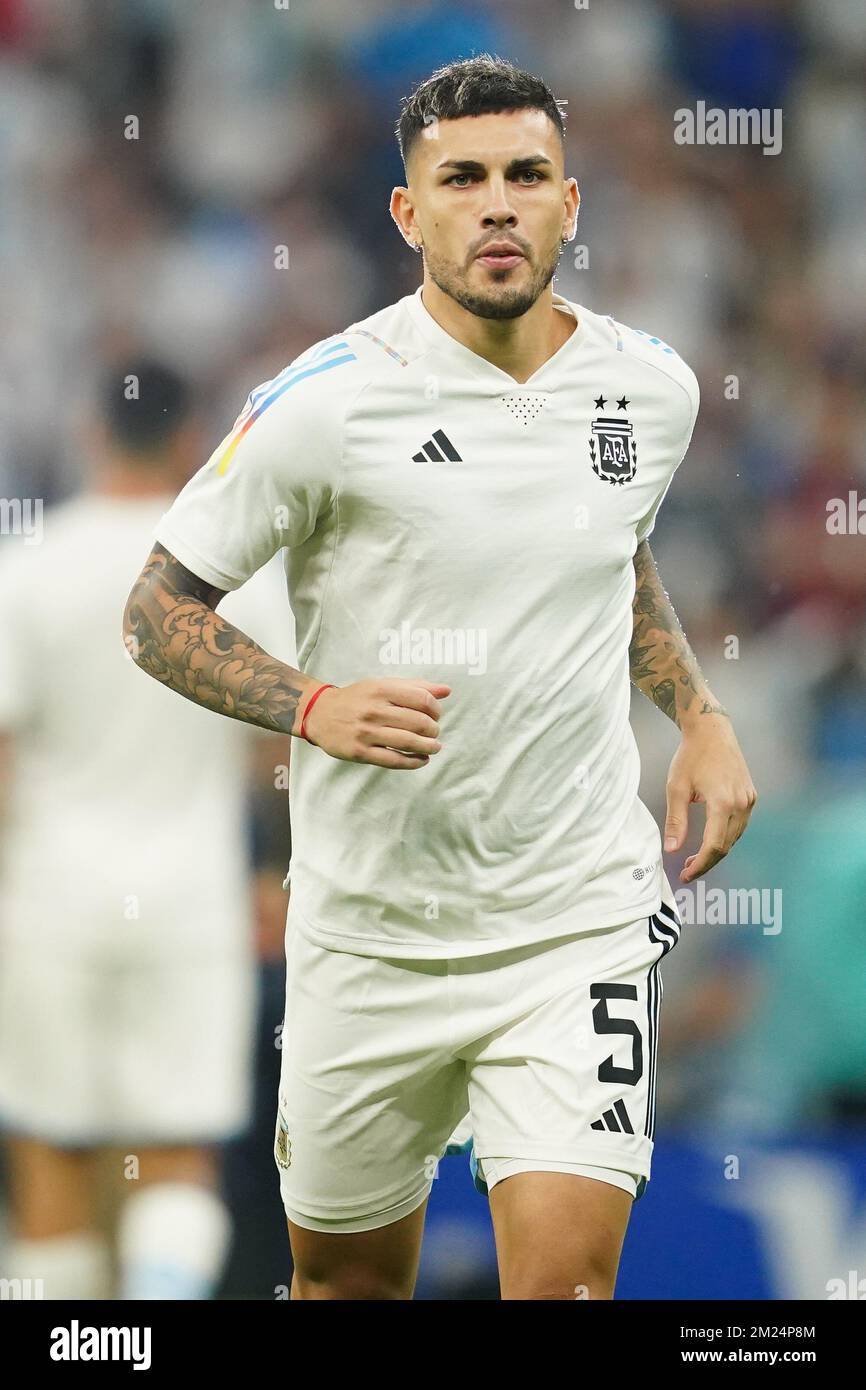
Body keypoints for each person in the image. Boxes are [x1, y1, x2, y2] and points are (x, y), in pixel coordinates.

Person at [123, 56, 757, 1300]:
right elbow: (154, 610)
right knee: (346, 1284)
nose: (497, 204)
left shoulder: (649, 386)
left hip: (571, 922)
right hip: (369, 936)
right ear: (408, 214)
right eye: (461, 179)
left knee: (566, 1284)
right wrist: (311, 704)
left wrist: (697, 711)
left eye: (525, 175)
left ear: (569, 202)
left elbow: (609, 552)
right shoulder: (326, 402)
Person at [0, 360, 292, 1299]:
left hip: (48, 903)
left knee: (53, 1149)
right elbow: (280, 750)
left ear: (91, 432)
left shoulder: (28, 567)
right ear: (190, 441)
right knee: (177, 1152)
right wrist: (274, 874)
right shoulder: (232, 579)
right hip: (191, 903)